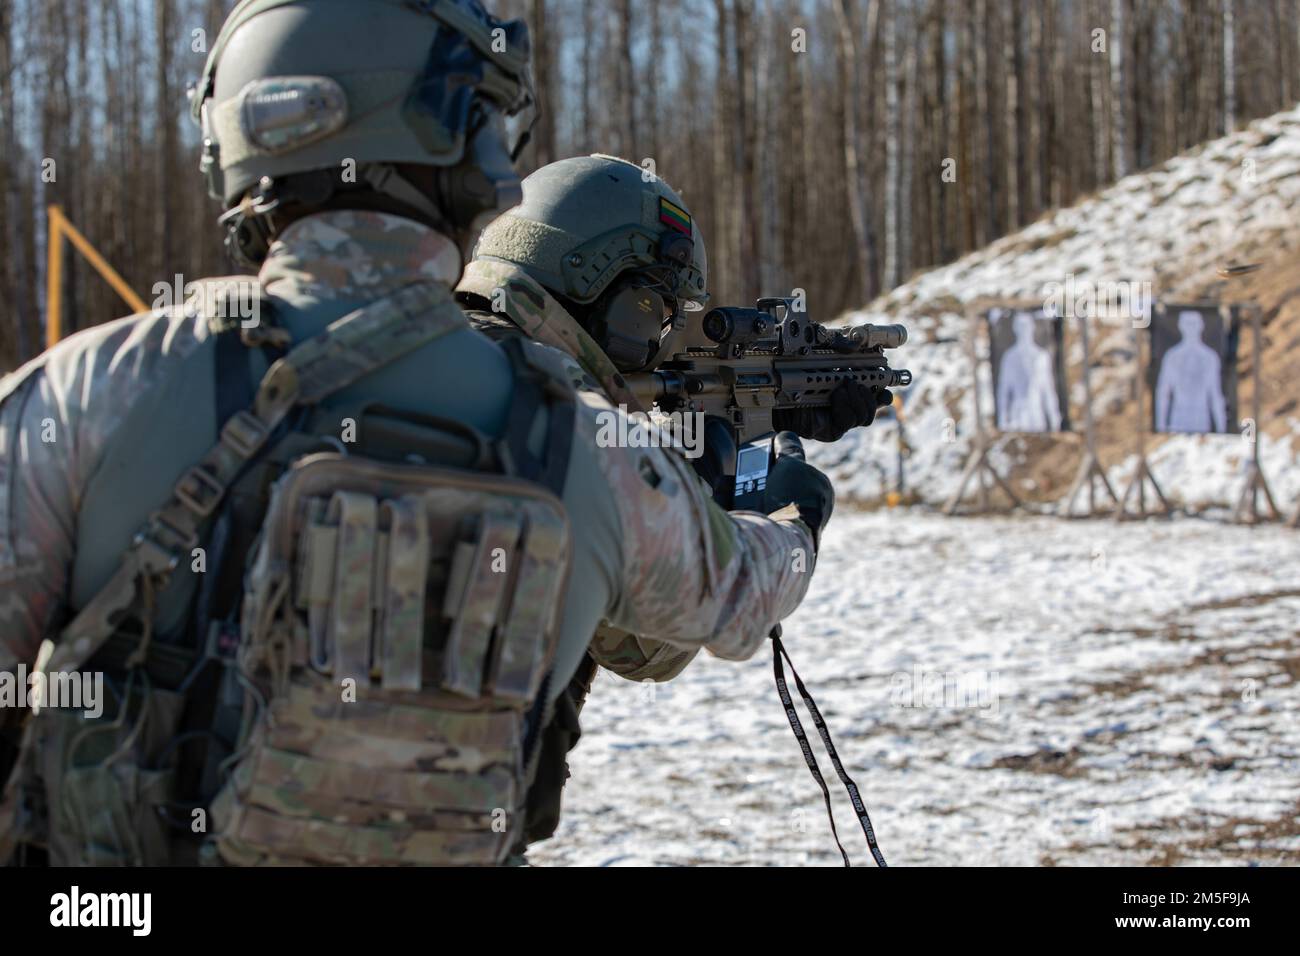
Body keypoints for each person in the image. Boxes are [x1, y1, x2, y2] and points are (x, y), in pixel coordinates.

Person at [0, 0, 834, 867]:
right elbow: (739, 597)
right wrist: (796, 518)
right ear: (465, 143)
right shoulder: (577, 441)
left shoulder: (88, 389)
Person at [455, 154, 892, 856]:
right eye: (652, 310)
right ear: (598, 285)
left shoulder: (420, 353)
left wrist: (716, 442)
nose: (659, 340)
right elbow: (648, 646)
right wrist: (791, 517)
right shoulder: (569, 422)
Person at [1154, 310, 1228, 433]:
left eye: (1194, 324)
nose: (1191, 328)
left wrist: (1221, 428)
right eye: (1187, 324)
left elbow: (1215, 394)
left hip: (1201, 417)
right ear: (1181, 326)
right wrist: (1161, 425)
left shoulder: (1209, 357)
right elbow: (1163, 392)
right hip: (1178, 417)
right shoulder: (1172, 356)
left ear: (1201, 326)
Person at [996, 310, 1063, 432]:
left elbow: (1048, 390)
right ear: (1015, 330)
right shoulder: (1010, 357)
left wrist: (1054, 418)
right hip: (1017, 415)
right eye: (1021, 327)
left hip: (1037, 415)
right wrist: (1002, 419)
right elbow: (1003, 392)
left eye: (1027, 327)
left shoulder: (1041, 356)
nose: (1024, 331)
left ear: (1032, 329)